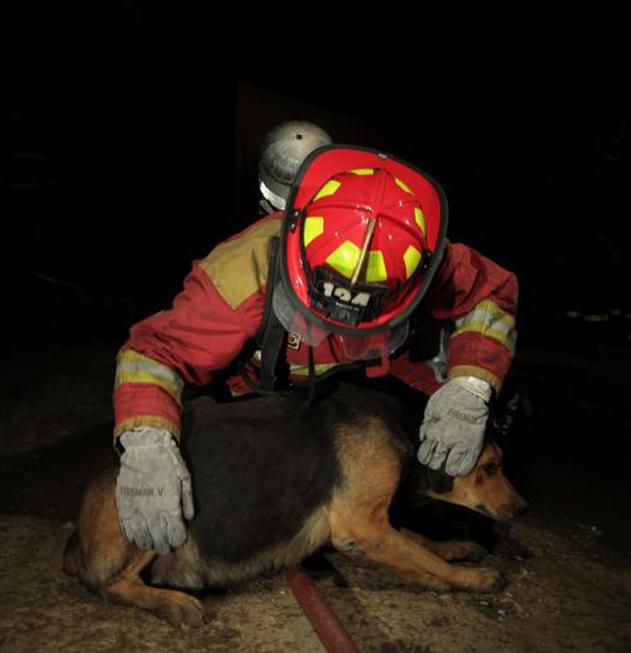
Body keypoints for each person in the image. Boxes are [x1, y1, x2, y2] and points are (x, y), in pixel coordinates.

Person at [113, 144, 519, 554]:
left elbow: (491, 294)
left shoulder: (428, 259)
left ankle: (421, 508)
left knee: (492, 410)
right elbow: (154, 351)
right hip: (264, 385)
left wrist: (470, 386)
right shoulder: (241, 272)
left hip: (373, 370)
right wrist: (147, 439)